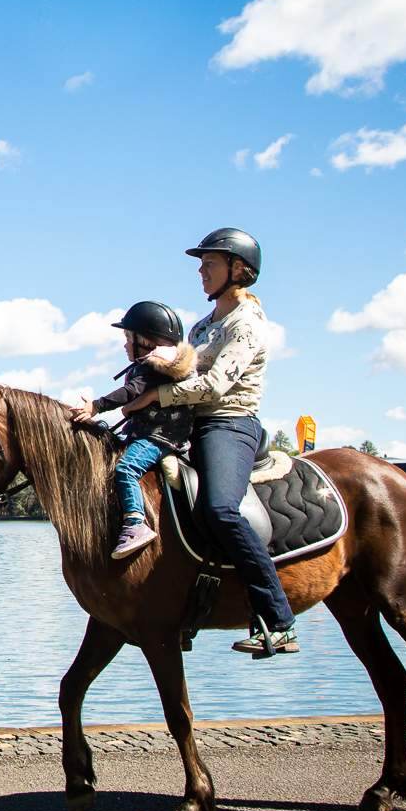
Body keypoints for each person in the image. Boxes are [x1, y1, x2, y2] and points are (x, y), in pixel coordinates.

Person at [121, 227, 299, 656]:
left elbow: (217, 385)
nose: (201, 270)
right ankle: (182, 607)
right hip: (187, 425)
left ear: (239, 269)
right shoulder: (204, 325)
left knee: (219, 509)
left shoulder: (247, 323)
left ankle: (278, 619)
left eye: (210, 263)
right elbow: (183, 368)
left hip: (229, 424)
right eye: (202, 264)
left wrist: (155, 395)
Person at [70, 301, 195, 560]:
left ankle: (136, 523)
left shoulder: (153, 367)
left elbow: (131, 392)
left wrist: (96, 406)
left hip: (159, 437)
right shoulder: (149, 366)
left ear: (146, 341)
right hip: (147, 433)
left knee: (126, 468)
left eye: (129, 337)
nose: (125, 344)